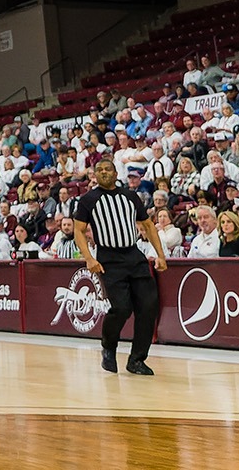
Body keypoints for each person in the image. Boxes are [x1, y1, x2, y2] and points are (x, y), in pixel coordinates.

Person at [72, 158, 168, 376]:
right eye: (100, 170)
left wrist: (160, 255)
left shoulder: (130, 196)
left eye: (108, 169)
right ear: (95, 175)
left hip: (134, 255)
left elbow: (147, 225)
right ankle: (108, 346)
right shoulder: (88, 200)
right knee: (122, 308)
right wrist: (89, 258)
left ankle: (136, 359)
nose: (105, 172)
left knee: (148, 306)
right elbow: (79, 230)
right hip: (109, 258)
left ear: (116, 173)